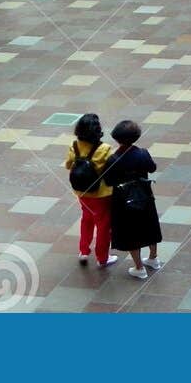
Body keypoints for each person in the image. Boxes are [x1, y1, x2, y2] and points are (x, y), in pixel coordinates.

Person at [105, 119, 164, 280]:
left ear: (117, 138)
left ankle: (139, 267)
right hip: (145, 196)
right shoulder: (143, 154)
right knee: (150, 225)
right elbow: (152, 168)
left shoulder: (113, 160)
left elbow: (108, 181)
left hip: (123, 201)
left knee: (130, 232)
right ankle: (153, 258)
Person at [65, 113, 117, 268]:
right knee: (103, 226)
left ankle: (84, 251)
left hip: (82, 193)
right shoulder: (105, 149)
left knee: (86, 219)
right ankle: (102, 258)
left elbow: (68, 165)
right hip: (101, 194)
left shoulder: (74, 146)